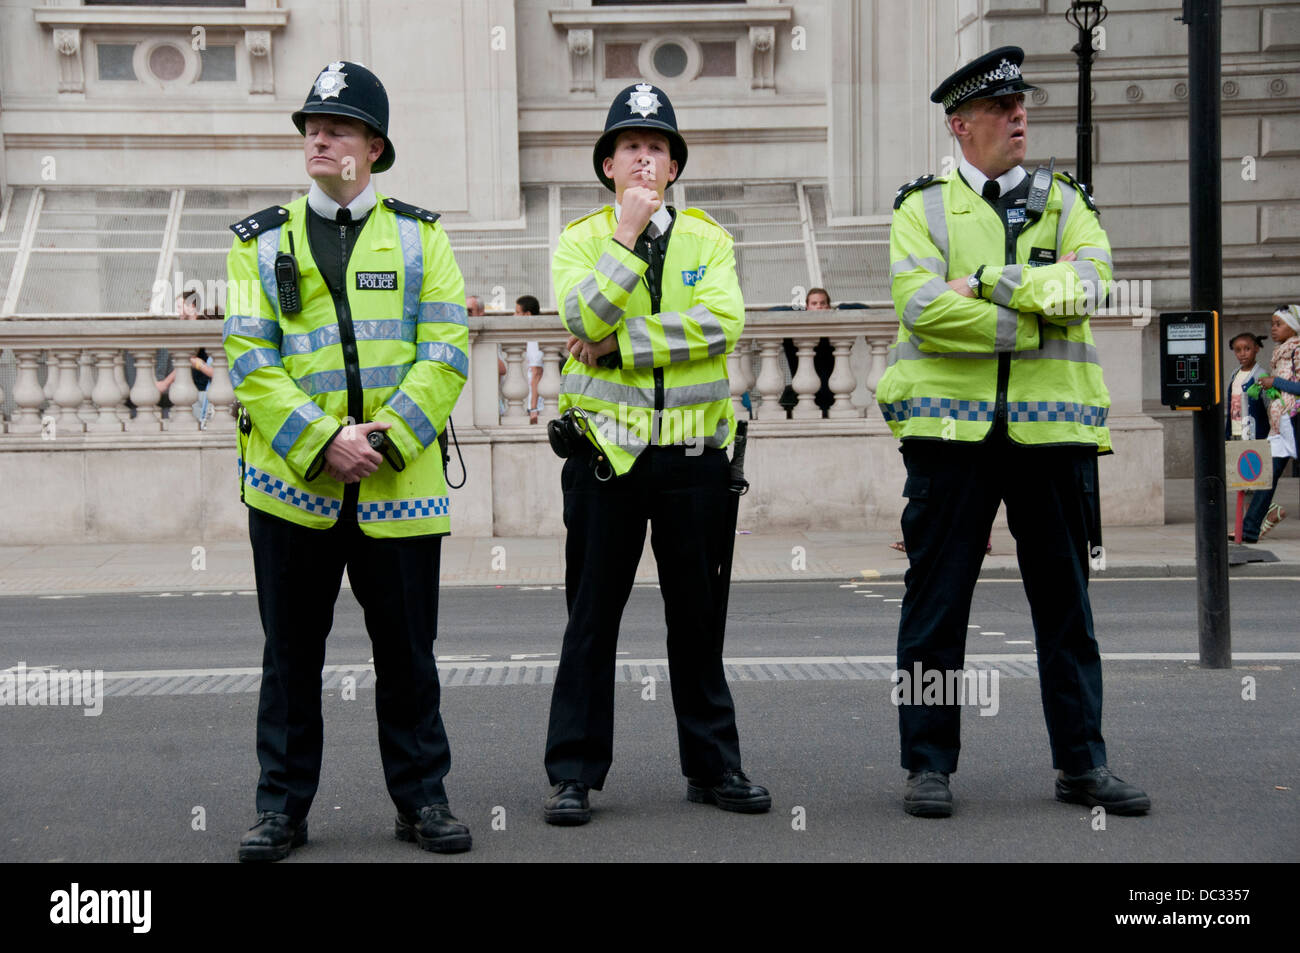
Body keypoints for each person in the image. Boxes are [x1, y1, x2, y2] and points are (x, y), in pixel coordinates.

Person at [876, 46, 1149, 818]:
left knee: (1067, 609)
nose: (1019, 116)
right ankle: (927, 765)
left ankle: (1082, 765)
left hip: (1050, 434)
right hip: (950, 434)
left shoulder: (1066, 200)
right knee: (934, 609)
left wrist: (992, 283)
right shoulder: (920, 206)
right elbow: (923, 307)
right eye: (1001, 109)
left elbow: (1090, 285)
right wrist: (1029, 321)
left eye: (1021, 105)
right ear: (962, 126)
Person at [224, 60, 472, 861]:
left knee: (408, 656)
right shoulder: (258, 243)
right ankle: (282, 809)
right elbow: (249, 360)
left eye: (336, 126)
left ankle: (422, 799)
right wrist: (323, 439)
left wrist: (383, 439)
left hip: (396, 486)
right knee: (290, 658)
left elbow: (445, 351)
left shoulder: (421, 236)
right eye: (311, 126)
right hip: (293, 490)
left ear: (375, 145)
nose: (318, 136)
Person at [542, 82, 770, 825]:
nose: (646, 157)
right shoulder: (581, 240)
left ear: (674, 166)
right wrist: (625, 242)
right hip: (608, 459)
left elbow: (722, 326)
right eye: (631, 146)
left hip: (695, 457)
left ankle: (713, 764)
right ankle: (574, 771)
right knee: (590, 620)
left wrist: (623, 345)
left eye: (659, 147)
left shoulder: (710, 238)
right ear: (609, 165)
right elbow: (580, 315)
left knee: (699, 618)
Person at [1242, 305, 1300, 541]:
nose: (1273, 329)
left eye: (1279, 324)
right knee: (1265, 476)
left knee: (1266, 476)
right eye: (1273, 324)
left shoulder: (1297, 351)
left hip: (1294, 421)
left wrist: (1275, 381)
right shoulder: (1279, 353)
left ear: (1293, 327)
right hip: (1280, 425)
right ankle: (1249, 530)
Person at [517, 294, 545, 423]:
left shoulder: (534, 339)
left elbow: (537, 373)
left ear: (527, 314)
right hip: (536, 404)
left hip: (538, 407)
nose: (514, 316)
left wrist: (533, 408)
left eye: (518, 312)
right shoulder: (533, 337)